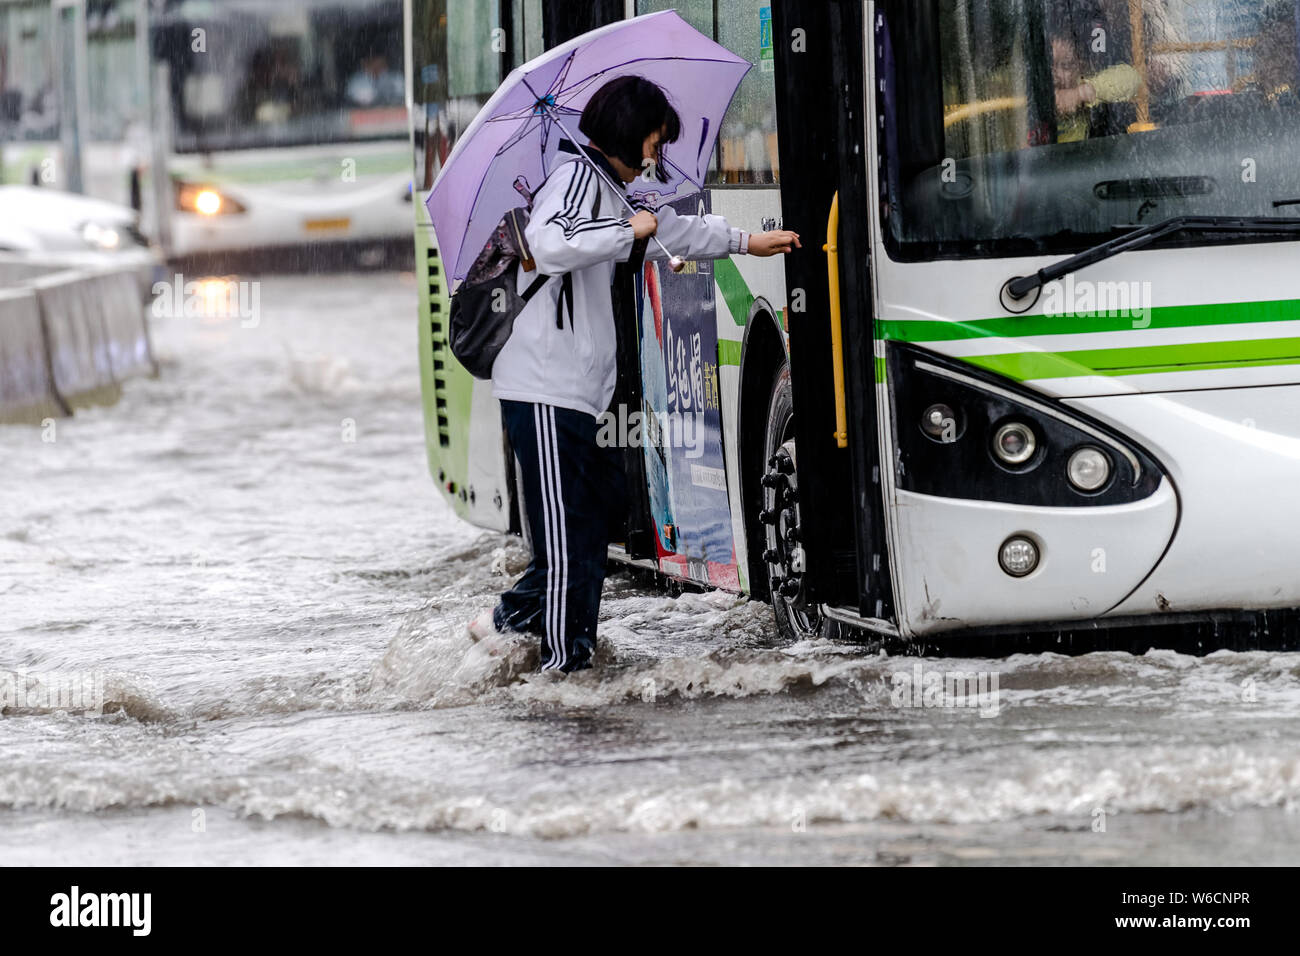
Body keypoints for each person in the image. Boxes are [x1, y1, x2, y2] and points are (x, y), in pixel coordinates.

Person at [464, 75, 800, 674]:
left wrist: (750, 241)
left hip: (575, 394)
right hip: (542, 389)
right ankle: (566, 673)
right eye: (654, 138)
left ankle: (516, 625)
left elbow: (672, 229)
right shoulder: (573, 181)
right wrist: (628, 231)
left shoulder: (607, 188)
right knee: (569, 540)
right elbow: (544, 245)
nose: (657, 153)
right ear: (627, 130)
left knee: (592, 524)